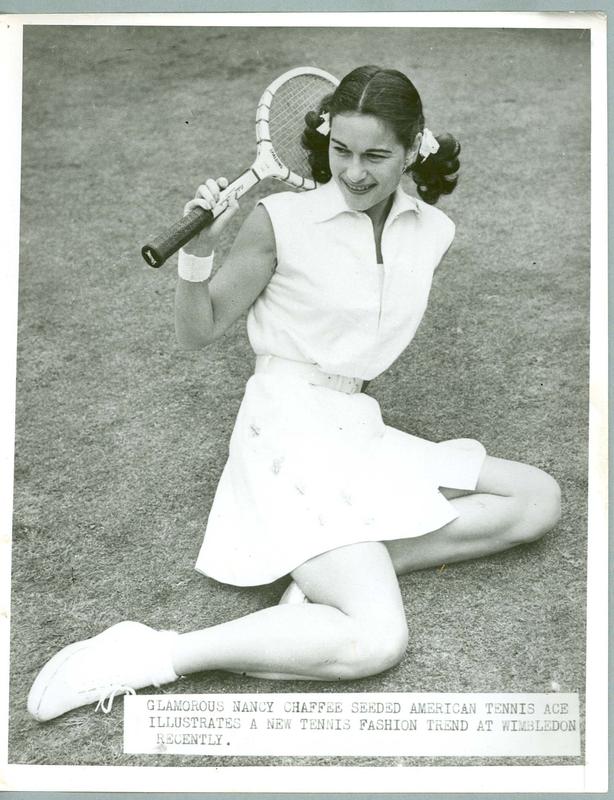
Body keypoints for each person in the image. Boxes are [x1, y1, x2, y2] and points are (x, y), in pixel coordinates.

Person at [27, 65, 560, 722]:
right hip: (285, 426)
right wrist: (198, 255)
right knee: (376, 640)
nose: (353, 172)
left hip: (354, 425)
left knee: (537, 499)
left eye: (375, 156)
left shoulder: (433, 232)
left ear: (412, 147)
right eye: (341, 150)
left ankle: (336, 567)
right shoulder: (279, 220)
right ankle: (153, 653)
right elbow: (198, 332)